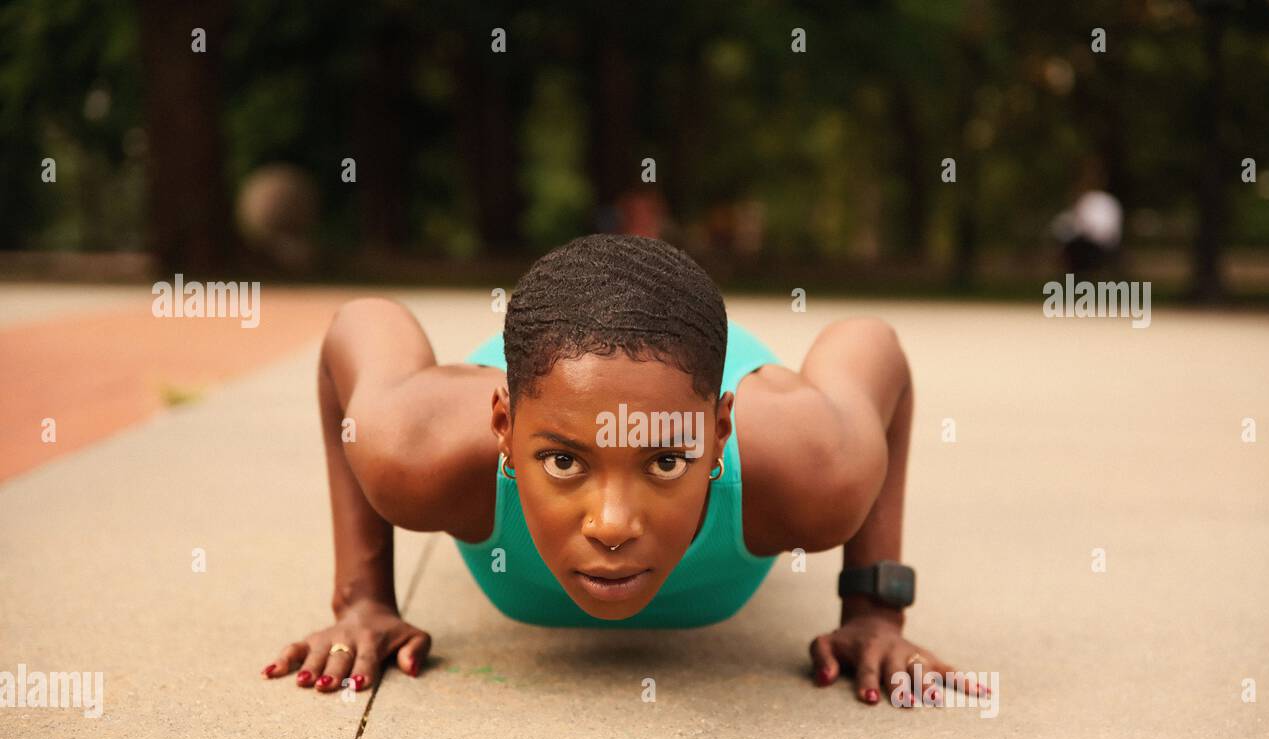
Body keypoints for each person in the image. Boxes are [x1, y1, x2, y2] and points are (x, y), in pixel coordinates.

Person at [261, 234, 982, 706]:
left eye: (665, 460)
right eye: (564, 463)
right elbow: (357, 323)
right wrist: (363, 600)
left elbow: (873, 344)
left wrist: (874, 608)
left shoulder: (814, 465)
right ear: (504, 431)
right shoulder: (415, 447)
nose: (612, 525)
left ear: (718, 436)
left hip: (687, 364)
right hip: (554, 372)